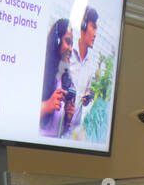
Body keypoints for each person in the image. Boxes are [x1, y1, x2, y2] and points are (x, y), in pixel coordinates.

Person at [64, 7, 99, 137]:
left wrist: (86, 100)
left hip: (74, 132)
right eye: (93, 27)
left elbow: (85, 96)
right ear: (83, 26)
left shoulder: (91, 65)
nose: (95, 34)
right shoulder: (67, 54)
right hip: (58, 127)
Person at [39, 19, 72, 136]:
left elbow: (62, 129)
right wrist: (47, 106)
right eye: (67, 41)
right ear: (57, 42)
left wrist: (68, 119)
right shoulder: (41, 70)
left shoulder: (65, 79)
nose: (70, 49)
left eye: (72, 44)